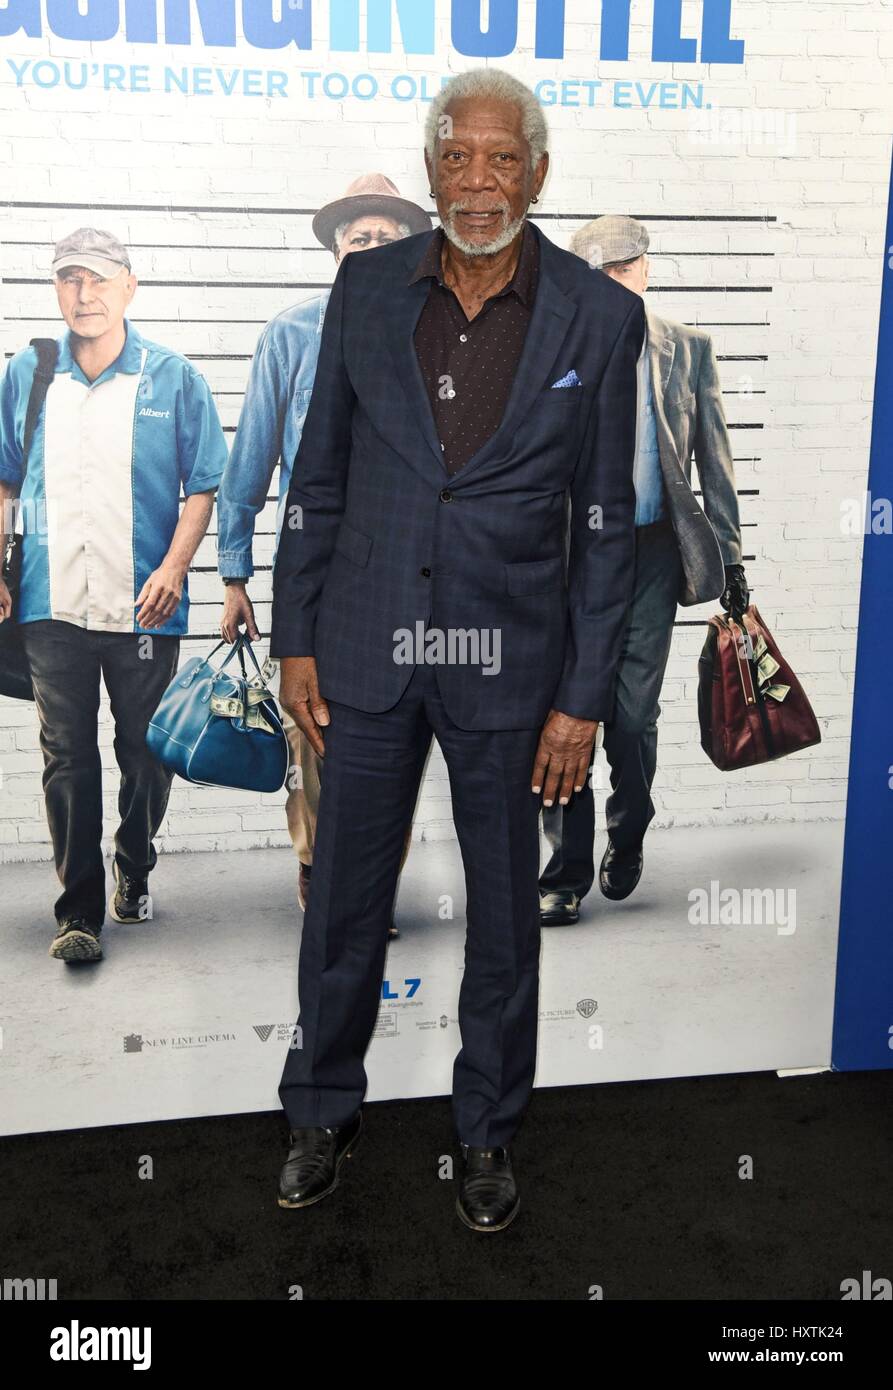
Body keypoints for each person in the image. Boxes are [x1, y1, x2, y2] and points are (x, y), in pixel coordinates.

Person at [269, 69, 645, 1232]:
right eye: (454, 156)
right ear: (430, 164)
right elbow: (317, 475)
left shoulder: (597, 313)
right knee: (341, 904)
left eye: (499, 159)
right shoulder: (367, 289)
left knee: (502, 914)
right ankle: (320, 1111)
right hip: (366, 649)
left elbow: (602, 521)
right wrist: (293, 637)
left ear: (537, 172)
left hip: (510, 667)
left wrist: (581, 695)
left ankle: (485, 1130)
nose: (476, 181)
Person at [0, 228, 227, 963]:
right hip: (49, 602)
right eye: (69, 279)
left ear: (129, 287)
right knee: (66, 756)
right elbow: (6, 479)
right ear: (57, 290)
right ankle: (80, 913)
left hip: (145, 607)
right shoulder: (27, 376)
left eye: (98, 279)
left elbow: (203, 486)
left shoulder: (174, 378)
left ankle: (135, 858)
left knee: (144, 750)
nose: (83, 294)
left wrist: (172, 568)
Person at [217, 175, 431, 930]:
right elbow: (250, 463)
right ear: (338, 250)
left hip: (416, 576)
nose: (371, 248)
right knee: (321, 727)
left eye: (386, 238)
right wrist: (234, 573)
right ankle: (318, 864)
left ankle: (371, 885)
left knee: (398, 736)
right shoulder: (292, 333)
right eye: (358, 237)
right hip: (321, 575)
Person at [539, 215, 749, 925]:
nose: (609, 284)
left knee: (629, 716)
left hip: (651, 552)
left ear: (644, 269)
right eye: (594, 274)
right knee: (562, 713)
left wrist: (732, 559)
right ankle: (563, 870)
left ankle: (627, 832)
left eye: (620, 270)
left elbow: (713, 462)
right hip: (566, 560)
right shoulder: (546, 348)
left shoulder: (686, 349)